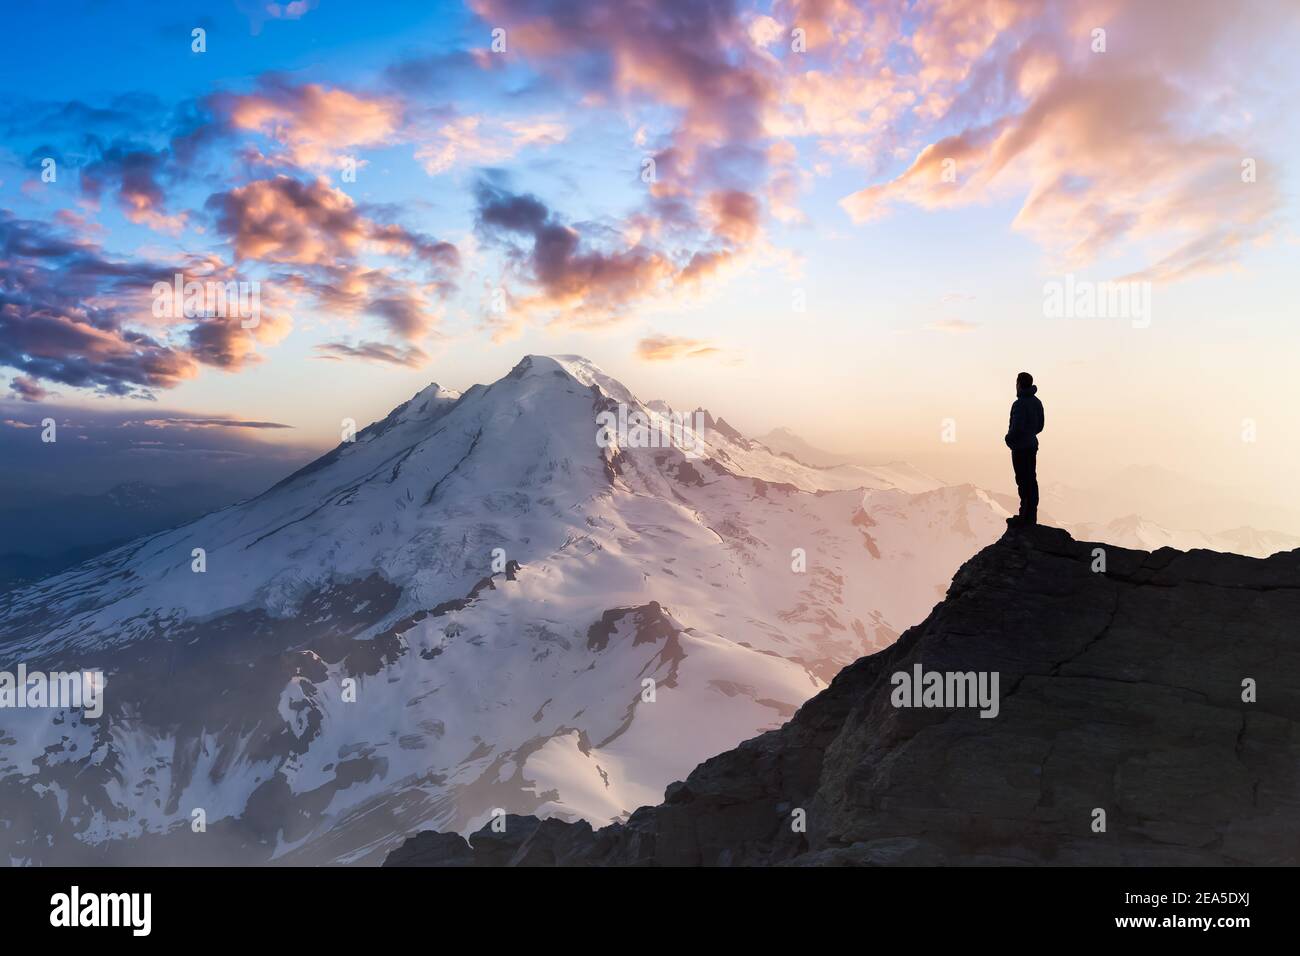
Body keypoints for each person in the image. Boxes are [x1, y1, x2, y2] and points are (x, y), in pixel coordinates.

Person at [1004, 371, 1044, 526]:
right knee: (1031, 478)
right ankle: (1031, 515)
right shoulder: (1036, 402)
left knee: (1022, 479)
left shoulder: (1019, 404)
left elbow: (1016, 428)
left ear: (1019, 384)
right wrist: (1030, 434)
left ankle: (1025, 515)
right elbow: (1040, 425)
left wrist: (1009, 439)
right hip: (1032, 445)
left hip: (1020, 447)